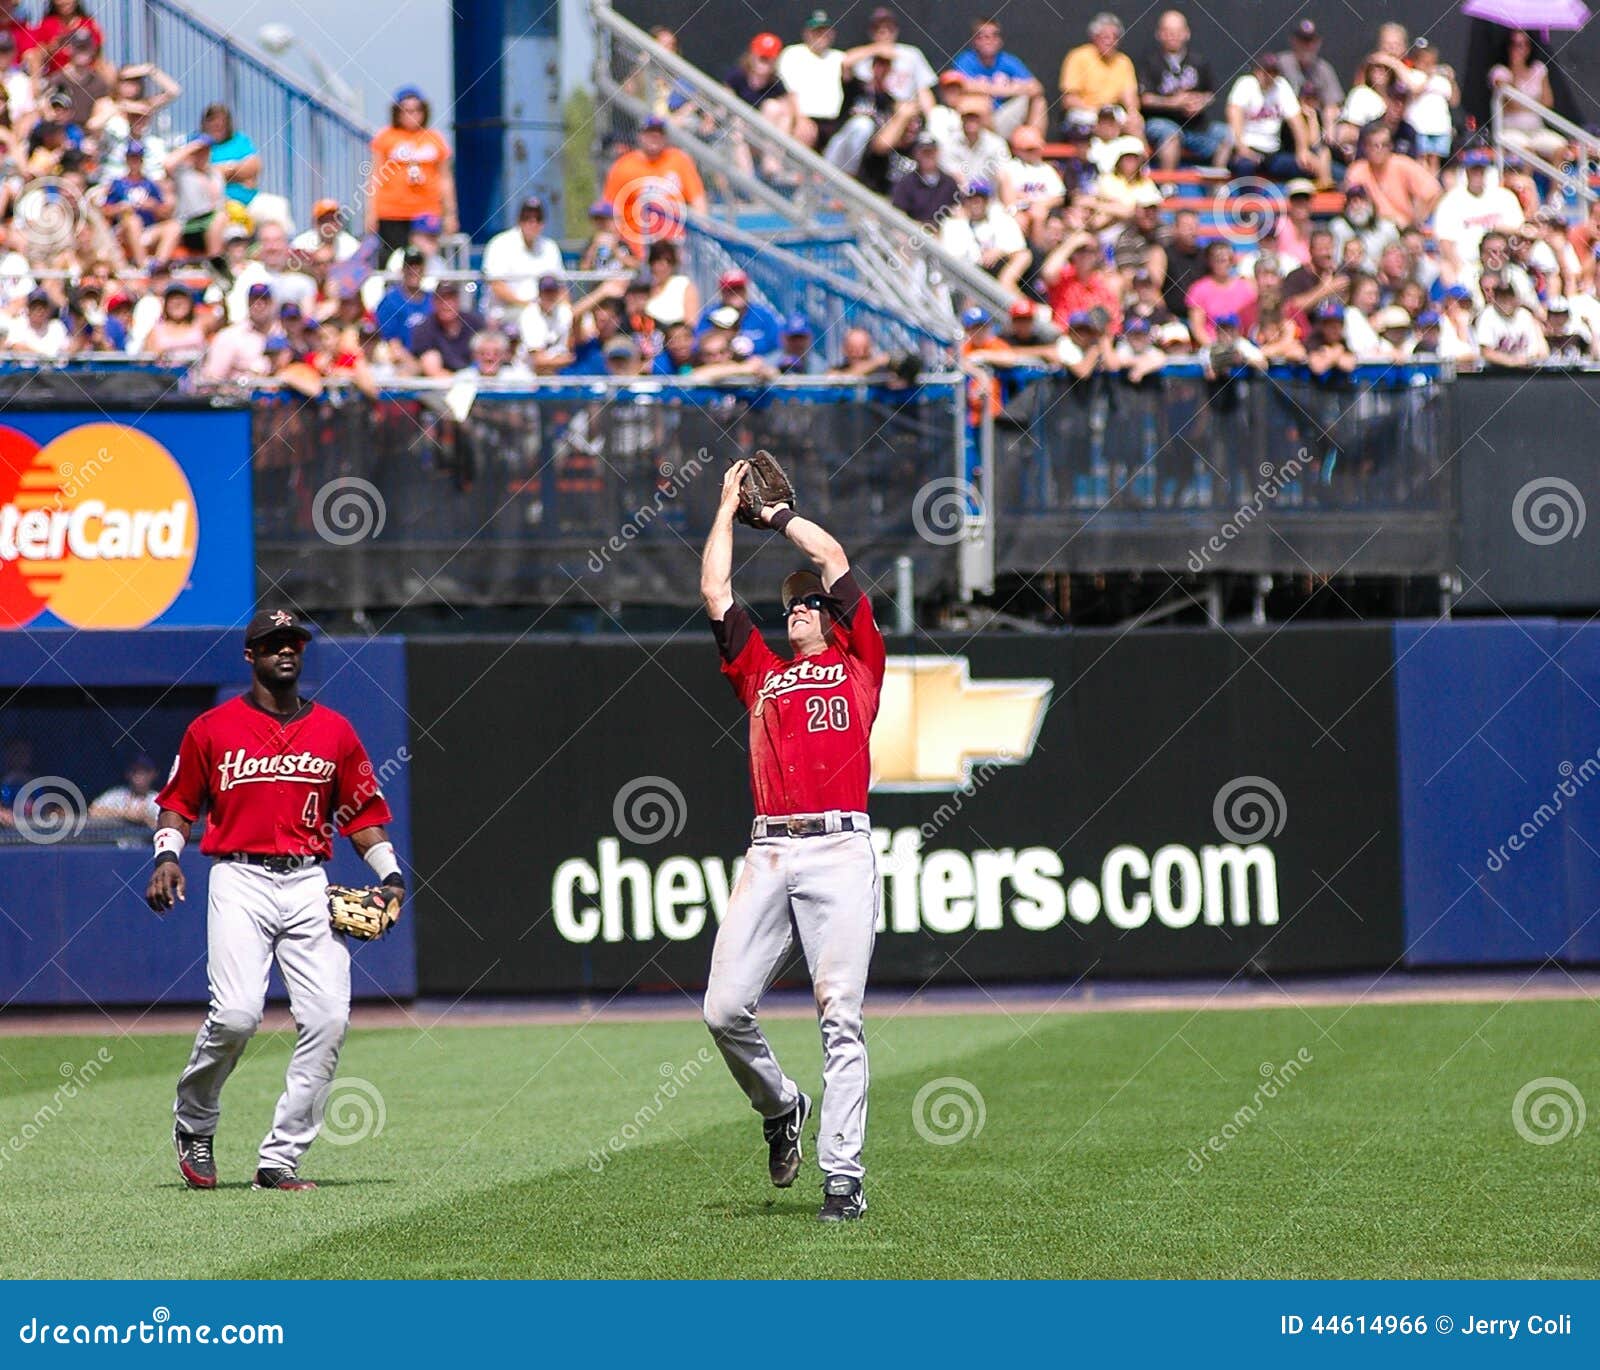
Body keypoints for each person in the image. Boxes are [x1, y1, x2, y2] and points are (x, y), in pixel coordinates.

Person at [150, 609, 405, 1193]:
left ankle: (280, 1158)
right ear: (250, 655)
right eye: (272, 643)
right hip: (238, 878)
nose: (285, 651)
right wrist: (167, 857)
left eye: (293, 643)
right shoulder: (211, 729)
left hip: (310, 882)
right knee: (238, 1014)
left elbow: (363, 816)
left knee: (327, 1019)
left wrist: (392, 876)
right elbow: (180, 801)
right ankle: (195, 1119)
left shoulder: (334, 732)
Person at [698, 461, 885, 1224]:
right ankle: (781, 1105)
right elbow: (715, 593)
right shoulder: (763, 674)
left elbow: (833, 559)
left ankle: (843, 1176)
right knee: (722, 1008)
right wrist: (721, 509)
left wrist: (774, 517)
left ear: (832, 616)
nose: (800, 609)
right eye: (794, 605)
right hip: (769, 851)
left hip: (840, 850)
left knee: (839, 1015)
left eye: (809, 603)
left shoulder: (861, 664)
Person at [365, 85, 457, 258]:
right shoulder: (386, 137)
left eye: (417, 110)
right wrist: (371, 212)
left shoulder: (435, 139)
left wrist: (450, 214)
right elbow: (375, 175)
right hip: (392, 212)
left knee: (425, 260)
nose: (412, 115)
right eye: (406, 110)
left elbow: (445, 179)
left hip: (427, 212)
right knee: (394, 262)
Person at [601, 114, 707, 255]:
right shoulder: (623, 166)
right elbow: (610, 211)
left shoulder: (679, 160)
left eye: (659, 133)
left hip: (675, 247)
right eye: (650, 133)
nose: (655, 137)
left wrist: (702, 233)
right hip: (636, 249)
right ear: (640, 135)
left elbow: (698, 201)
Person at [1139, 10, 1224, 170]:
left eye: (1178, 32)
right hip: (1162, 122)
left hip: (1195, 126)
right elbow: (1145, 98)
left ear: (1187, 33)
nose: (1173, 36)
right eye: (1168, 32)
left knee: (1226, 134)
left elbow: (1211, 94)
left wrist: (1199, 103)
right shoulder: (1150, 62)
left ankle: (1216, 190)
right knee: (1171, 134)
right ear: (1159, 34)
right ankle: (1168, 186)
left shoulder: (1199, 61)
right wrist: (1173, 103)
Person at [1433, 148, 1524, 285]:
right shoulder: (1451, 200)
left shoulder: (1504, 196)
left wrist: (1498, 228)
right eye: (1473, 170)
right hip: (1467, 265)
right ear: (1466, 171)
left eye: (1480, 170)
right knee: (1448, 273)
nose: (1477, 174)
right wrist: (1459, 269)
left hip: (1501, 263)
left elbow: (1519, 230)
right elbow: (1445, 241)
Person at [948, 16, 1045, 138]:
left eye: (994, 35)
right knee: (981, 101)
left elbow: (1036, 87)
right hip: (976, 122)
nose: (988, 40)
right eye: (982, 36)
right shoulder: (965, 60)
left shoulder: (1008, 60)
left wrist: (990, 88)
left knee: (1038, 101)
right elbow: (961, 86)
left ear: (1000, 40)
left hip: (1003, 118)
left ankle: (1032, 144)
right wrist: (1006, 89)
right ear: (974, 41)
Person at [480, 196, 564, 326]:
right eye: (527, 218)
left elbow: (561, 287)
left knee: (567, 314)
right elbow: (496, 285)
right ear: (519, 221)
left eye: (538, 219)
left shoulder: (550, 247)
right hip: (505, 312)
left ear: (543, 223)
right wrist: (531, 305)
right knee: (532, 316)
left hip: (544, 310)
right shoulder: (500, 243)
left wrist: (566, 307)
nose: (532, 223)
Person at [1489, 29, 1565, 162]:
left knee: (1560, 147)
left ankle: (1556, 184)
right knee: (1527, 150)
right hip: (1511, 129)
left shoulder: (1538, 69)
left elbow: (1548, 102)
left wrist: (1525, 104)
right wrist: (1516, 69)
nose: (1519, 49)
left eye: (1524, 44)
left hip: (1536, 129)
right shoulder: (1500, 72)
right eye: (1515, 44)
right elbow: (1512, 104)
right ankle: (1525, 181)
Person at [1342, 125, 1439, 229]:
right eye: (1375, 145)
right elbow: (1352, 204)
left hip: (1402, 227)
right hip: (1369, 226)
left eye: (1384, 145)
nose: (1379, 150)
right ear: (1365, 148)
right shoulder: (1357, 170)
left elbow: (1433, 191)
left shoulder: (1402, 164)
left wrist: (1417, 220)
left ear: (1391, 146)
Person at [1058, 12, 1138, 137]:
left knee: (1134, 123)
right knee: (1100, 124)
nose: (1110, 41)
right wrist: (1098, 113)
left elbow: (1130, 97)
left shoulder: (1123, 62)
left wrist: (1133, 114)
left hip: (1112, 113)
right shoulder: (1078, 56)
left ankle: (1141, 154)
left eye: (1114, 37)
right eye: (1105, 37)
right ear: (1094, 37)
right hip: (1086, 113)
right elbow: (1069, 100)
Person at [1276, 18, 1343, 148]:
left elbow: (1332, 105)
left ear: (1318, 43)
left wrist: (1329, 129)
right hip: (1283, 124)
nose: (1306, 46)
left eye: (1310, 41)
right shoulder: (1281, 63)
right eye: (1302, 40)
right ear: (1294, 41)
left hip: (1313, 125)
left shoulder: (1324, 69)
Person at [852, 7, 935, 110]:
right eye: (878, 29)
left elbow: (923, 89)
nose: (884, 32)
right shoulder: (863, 56)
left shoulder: (911, 54)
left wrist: (932, 117)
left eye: (889, 28)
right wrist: (876, 49)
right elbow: (845, 62)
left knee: (905, 110)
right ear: (871, 32)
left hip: (902, 110)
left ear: (896, 30)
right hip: (871, 111)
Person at [694, 269, 780, 355]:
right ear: (722, 292)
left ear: (746, 290)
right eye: (730, 289)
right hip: (720, 364)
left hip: (758, 363)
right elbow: (697, 345)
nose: (735, 293)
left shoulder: (762, 315)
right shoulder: (710, 315)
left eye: (739, 289)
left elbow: (778, 342)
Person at [411, 280, 485, 376]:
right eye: (441, 299)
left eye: (451, 299)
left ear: (458, 301)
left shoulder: (475, 323)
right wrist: (460, 383)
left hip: (474, 377)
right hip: (441, 385)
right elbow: (433, 370)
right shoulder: (425, 329)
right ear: (434, 303)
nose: (446, 305)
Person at [1474, 272, 1546, 365]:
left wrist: (1525, 360)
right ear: (1495, 299)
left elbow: (1537, 351)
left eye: (1508, 296)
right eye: (1501, 297)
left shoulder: (1524, 315)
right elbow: (1486, 352)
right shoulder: (1487, 316)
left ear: (1515, 298)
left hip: (1525, 369)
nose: (1505, 301)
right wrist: (1511, 361)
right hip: (1495, 373)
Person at [891, 132, 958, 226]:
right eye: (924, 152)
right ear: (916, 154)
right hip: (913, 233)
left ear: (938, 153)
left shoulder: (950, 183)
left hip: (943, 234)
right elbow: (898, 213)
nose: (928, 156)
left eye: (931, 152)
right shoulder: (906, 184)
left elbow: (957, 209)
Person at [90, 754, 161, 827]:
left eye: (145, 771)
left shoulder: (157, 799)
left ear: (154, 774)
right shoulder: (117, 794)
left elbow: (165, 826)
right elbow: (93, 811)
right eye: (135, 771)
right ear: (128, 773)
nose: (139, 775)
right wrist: (125, 815)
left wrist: (144, 819)